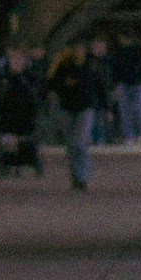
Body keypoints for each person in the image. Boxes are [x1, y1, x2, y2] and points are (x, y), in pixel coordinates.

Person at [47, 39, 103, 189]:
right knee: (71, 144)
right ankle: (76, 176)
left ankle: (83, 175)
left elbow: (99, 84)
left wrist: (105, 105)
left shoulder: (92, 64)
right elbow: (51, 83)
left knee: (81, 142)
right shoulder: (63, 65)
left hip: (85, 107)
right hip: (67, 107)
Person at [0, 48, 43, 178]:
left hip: (25, 116)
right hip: (8, 116)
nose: (16, 63)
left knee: (25, 142)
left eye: (19, 60)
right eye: (13, 60)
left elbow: (35, 97)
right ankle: (6, 164)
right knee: (8, 141)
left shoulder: (29, 77)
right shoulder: (3, 79)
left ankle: (29, 163)